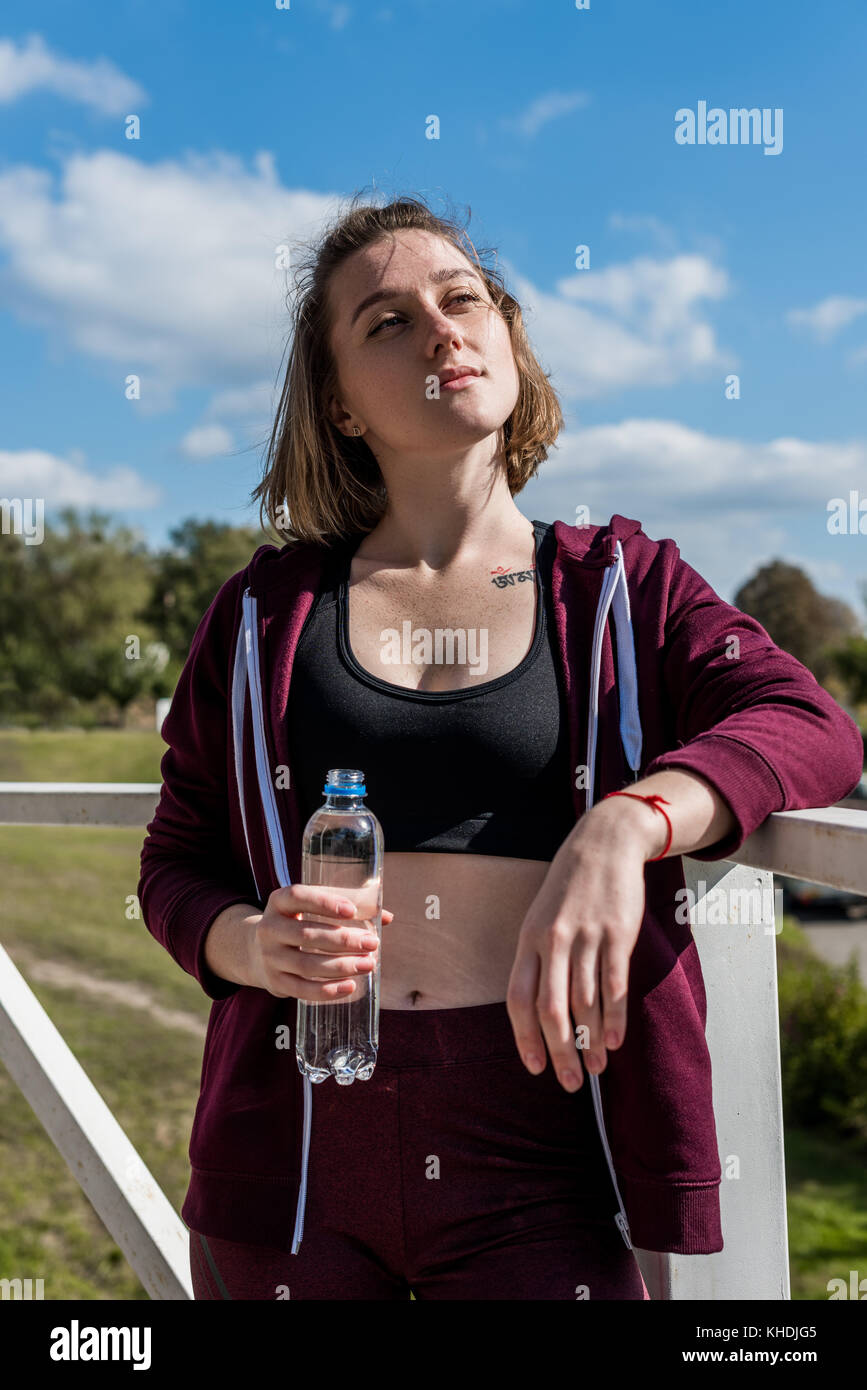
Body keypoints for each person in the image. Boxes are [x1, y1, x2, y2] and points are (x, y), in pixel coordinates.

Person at [137, 194, 864, 1301]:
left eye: (463, 296)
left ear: (509, 337)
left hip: (552, 1143)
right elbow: (174, 857)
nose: (441, 329)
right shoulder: (261, 616)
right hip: (295, 1146)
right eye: (386, 321)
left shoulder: (624, 582)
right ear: (338, 405)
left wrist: (633, 820)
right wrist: (245, 943)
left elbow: (810, 722)